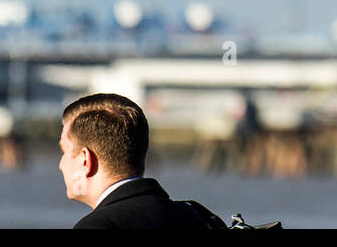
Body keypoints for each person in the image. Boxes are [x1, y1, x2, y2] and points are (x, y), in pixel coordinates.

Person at [59, 92, 225, 229]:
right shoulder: (200, 217)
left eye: (64, 151)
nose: (61, 165)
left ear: (85, 160)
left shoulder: (97, 225)